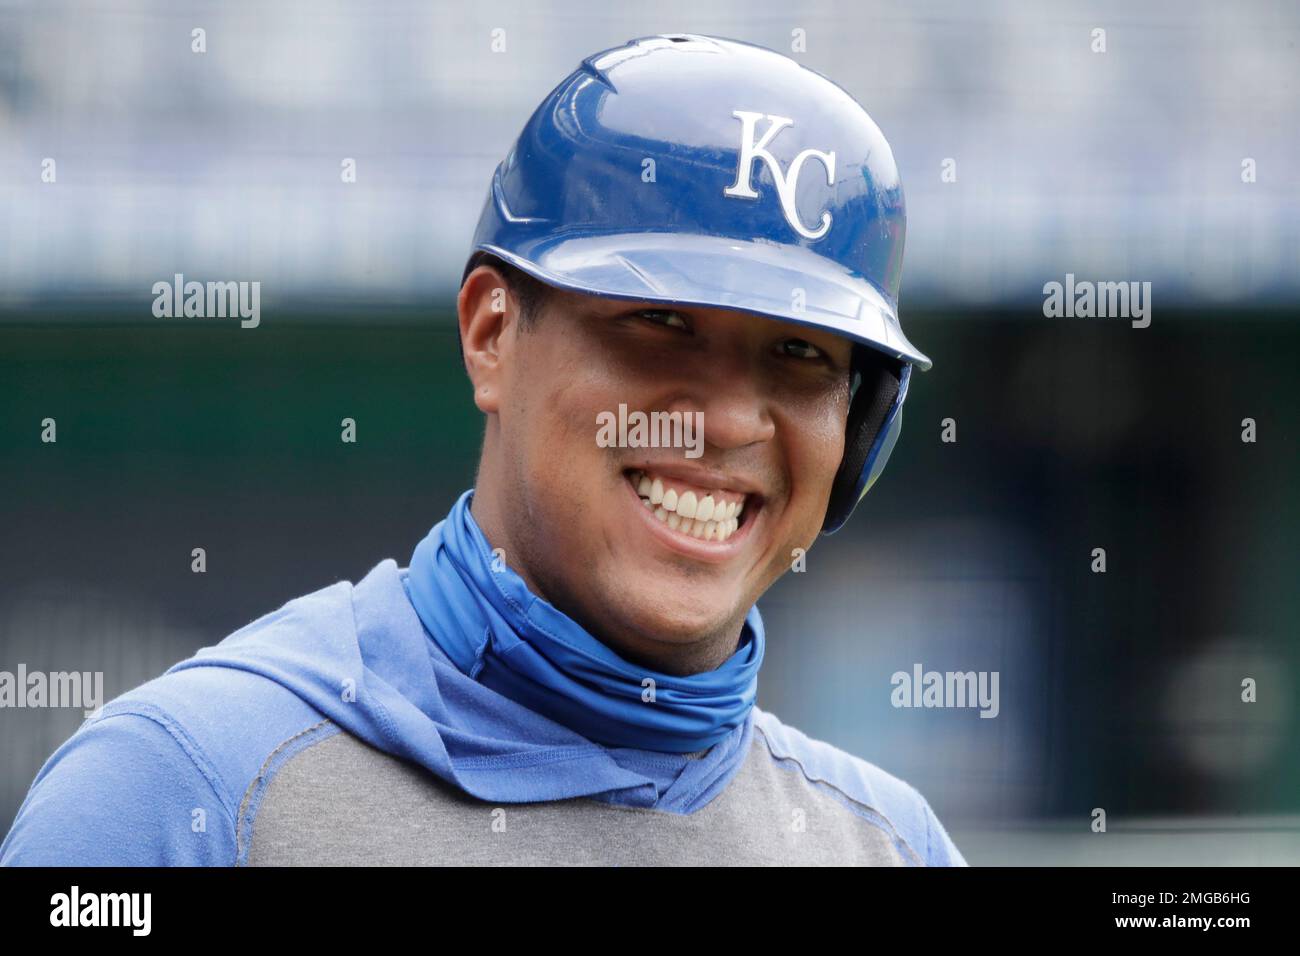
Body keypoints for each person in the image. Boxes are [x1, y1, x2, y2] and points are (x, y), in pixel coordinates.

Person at [1, 33, 965, 866]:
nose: (726, 424)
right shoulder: (178, 792)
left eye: (798, 353)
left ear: (860, 425)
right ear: (492, 335)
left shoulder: (890, 844)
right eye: (661, 321)